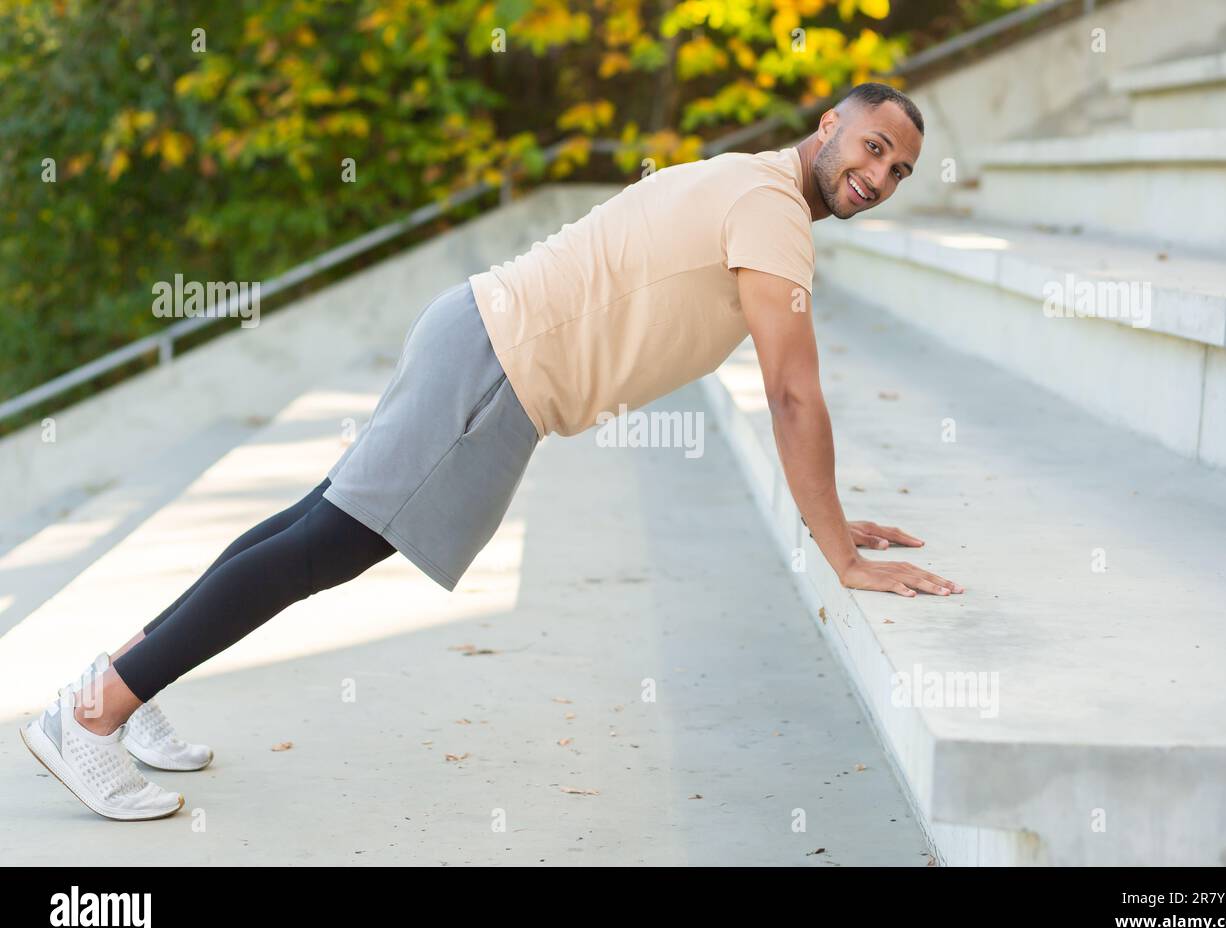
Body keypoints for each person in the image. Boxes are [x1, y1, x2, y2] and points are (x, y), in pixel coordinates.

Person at [22, 82, 961, 821]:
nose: (878, 178)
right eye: (874, 148)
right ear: (831, 124)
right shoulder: (773, 213)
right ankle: (95, 711)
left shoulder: (755, 182)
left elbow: (786, 385)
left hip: (483, 340)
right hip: (498, 367)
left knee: (311, 524)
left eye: (900, 171)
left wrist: (830, 516)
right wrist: (840, 551)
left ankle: (124, 683)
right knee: (328, 545)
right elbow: (793, 388)